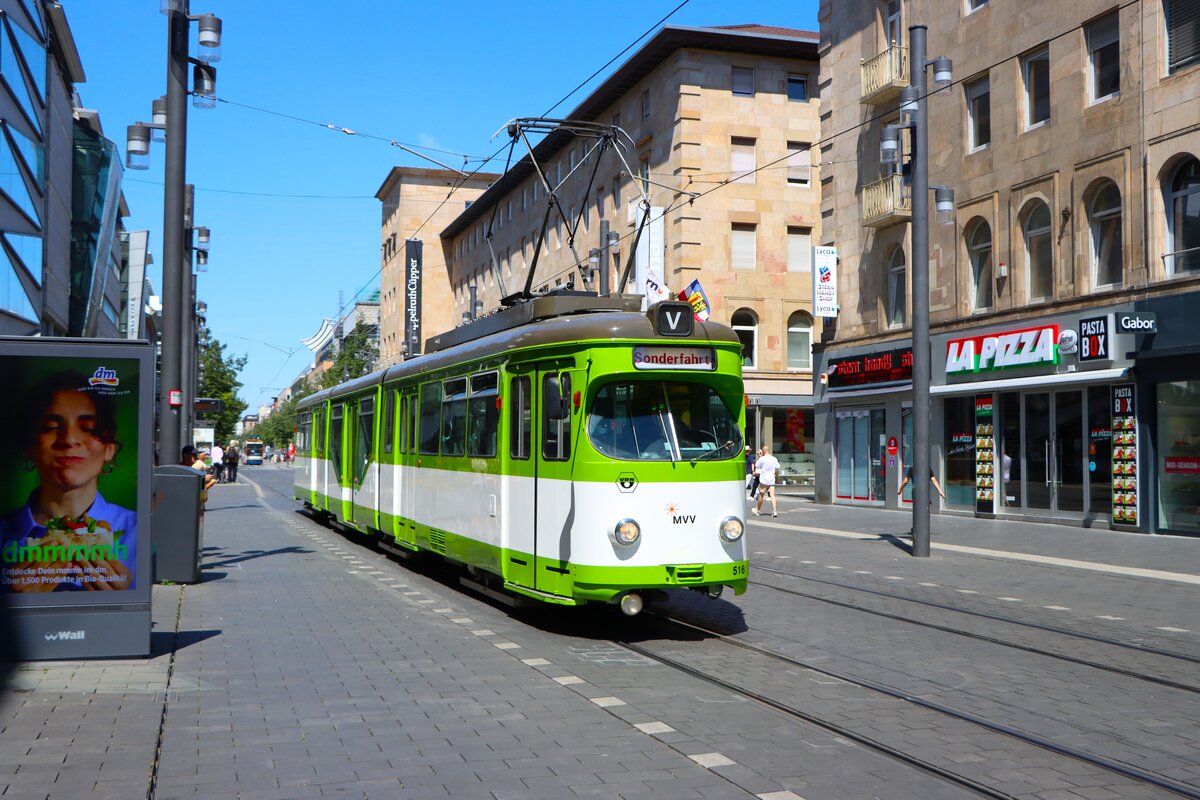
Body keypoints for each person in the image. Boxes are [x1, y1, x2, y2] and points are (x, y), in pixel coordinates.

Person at [1, 372, 136, 592]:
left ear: (109, 448)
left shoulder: (137, 531)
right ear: (29, 446)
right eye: (51, 426)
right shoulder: (4, 531)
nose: (70, 439)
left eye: (89, 428)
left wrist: (126, 606)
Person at [753, 445, 780, 517]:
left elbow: (757, 465)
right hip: (771, 479)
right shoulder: (774, 458)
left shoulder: (762, 459)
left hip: (764, 480)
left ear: (763, 451)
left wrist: (760, 456)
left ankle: (758, 509)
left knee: (761, 495)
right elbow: (777, 469)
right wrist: (777, 478)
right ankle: (774, 511)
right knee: (772, 495)